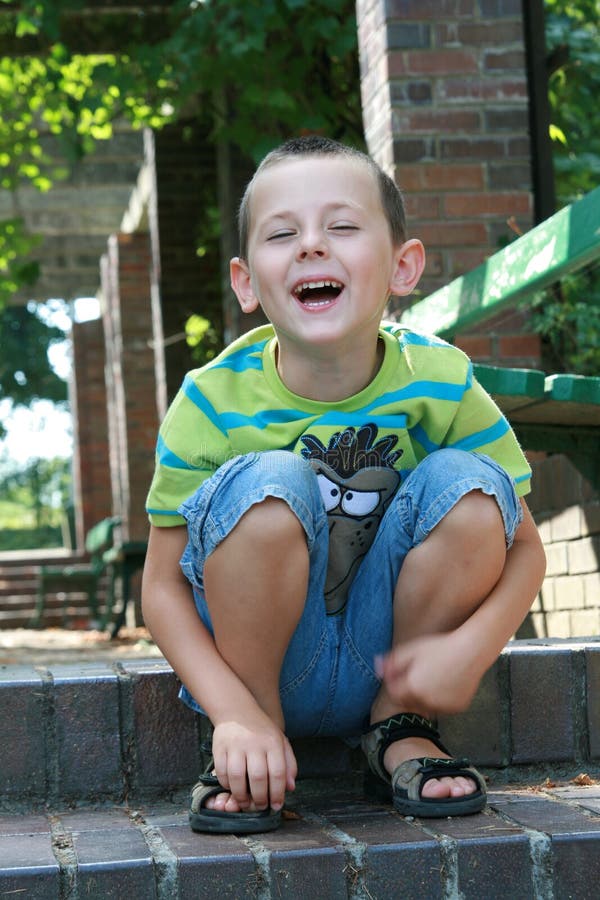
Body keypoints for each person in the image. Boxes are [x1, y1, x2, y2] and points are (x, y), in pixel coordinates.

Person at [142, 135, 546, 834]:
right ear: (246, 282)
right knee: (270, 480)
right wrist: (231, 712)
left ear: (402, 265)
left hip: (393, 659)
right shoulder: (210, 401)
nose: (310, 246)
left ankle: (400, 731)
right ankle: (257, 739)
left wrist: (471, 649)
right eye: (282, 234)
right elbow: (160, 586)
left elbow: (526, 548)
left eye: (343, 226)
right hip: (262, 669)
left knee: (472, 486)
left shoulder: (443, 380)